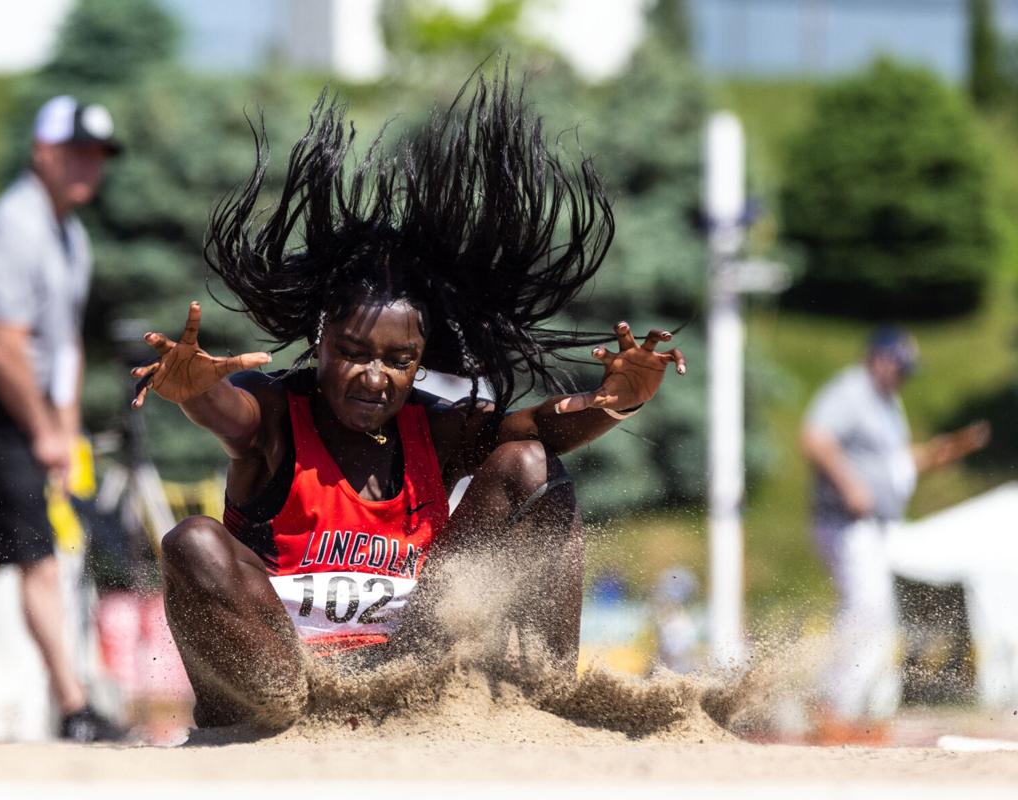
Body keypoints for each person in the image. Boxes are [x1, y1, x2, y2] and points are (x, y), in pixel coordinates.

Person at [131, 75, 687, 730]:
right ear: (321, 342)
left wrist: (616, 402)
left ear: (421, 361)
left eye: (399, 361)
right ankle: (282, 725)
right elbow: (230, 414)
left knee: (532, 468)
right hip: (277, 679)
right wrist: (196, 392)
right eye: (355, 352)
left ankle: (545, 705)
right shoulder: (278, 416)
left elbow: (535, 437)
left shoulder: (434, 429)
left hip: (403, 674)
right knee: (192, 541)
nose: (374, 376)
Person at [0, 95, 124, 742]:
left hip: (32, 412)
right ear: (41, 153)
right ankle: (75, 706)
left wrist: (66, 422)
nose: (89, 166)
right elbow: (2, 347)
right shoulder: (12, 226)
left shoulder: (69, 233)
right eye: (76, 152)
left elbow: (65, 343)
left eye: (97, 156)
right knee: (37, 557)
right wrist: (45, 429)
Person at [801, 327, 989, 742]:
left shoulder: (887, 404)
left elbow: (893, 464)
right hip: (847, 523)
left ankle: (843, 709)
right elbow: (815, 438)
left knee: (876, 617)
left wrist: (947, 450)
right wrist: (849, 484)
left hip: (874, 528)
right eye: (900, 367)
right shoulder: (852, 391)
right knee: (867, 611)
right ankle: (831, 706)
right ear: (880, 359)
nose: (904, 376)